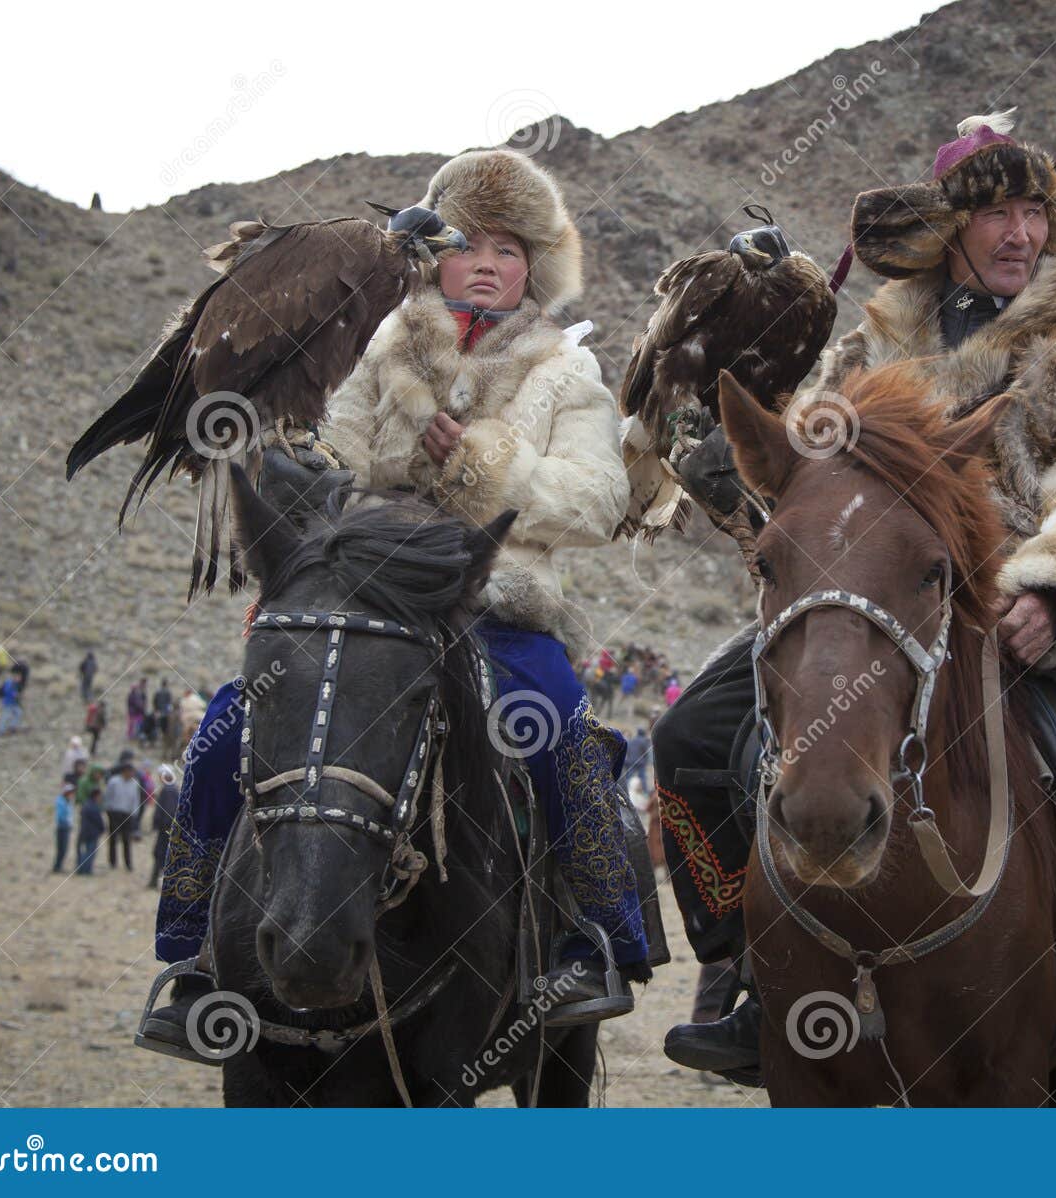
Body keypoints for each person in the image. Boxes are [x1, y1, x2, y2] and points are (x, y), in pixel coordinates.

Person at [654, 110, 1056, 1096]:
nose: (1017, 233)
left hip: (1034, 598)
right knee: (695, 735)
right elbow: (819, 462)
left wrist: (1055, 587)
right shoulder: (883, 327)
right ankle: (743, 968)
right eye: (992, 211)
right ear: (949, 226)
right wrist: (739, 472)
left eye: (1032, 211)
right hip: (879, 592)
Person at [142, 149, 651, 1061]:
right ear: (435, 255)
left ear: (535, 263)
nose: (488, 261)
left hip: (496, 604)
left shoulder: (568, 377)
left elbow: (598, 500)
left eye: (510, 246)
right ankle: (189, 958)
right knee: (224, 727)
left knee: (557, 717)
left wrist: (486, 465)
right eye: (467, 243)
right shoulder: (376, 347)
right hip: (368, 603)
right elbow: (329, 456)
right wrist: (289, 464)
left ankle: (596, 940)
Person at [102, 760, 143, 871]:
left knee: (126, 839)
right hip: (114, 812)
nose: (131, 774)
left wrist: (135, 813)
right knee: (113, 838)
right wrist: (107, 809)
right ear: (124, 771)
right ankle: (112, 862)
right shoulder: (114, 781)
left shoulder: (135, 783)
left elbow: (136, 799)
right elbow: (108, 796)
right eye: (129, 771)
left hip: (127, 814)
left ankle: (128, 864)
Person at [148, 767, 180, 890]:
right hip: (169, 828)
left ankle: (160, 883)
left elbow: (169, 811)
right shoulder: (172, 789)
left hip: (167, 829)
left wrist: (162, 825)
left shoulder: (169, 790)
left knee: (161, 854)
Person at [76, 787, 106, 876]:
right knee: (90, 852)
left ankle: (81, 869)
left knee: (85, 851)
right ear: (96, 796)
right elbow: (98, 820)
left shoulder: (86, 805)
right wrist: (102, 829)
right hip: (92, 833)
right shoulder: (93, 807)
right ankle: (85, 870)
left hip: (84, 832)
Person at [52, 782, 75, 873]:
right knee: (61, 848)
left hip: (66, 827)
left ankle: (59, 866)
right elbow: (61, 815)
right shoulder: (61, 801)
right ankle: (57, 866)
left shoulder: (68, 802)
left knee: (64, 848)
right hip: (62, 827)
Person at [623, 727, 652, 798]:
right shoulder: (644, 741)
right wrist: (646, 761)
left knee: (629, 776)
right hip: (640, 763)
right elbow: (646, 752)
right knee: (642, 777)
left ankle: (625, 791)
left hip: (631, 761)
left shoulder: (632, 740)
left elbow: (628, 749)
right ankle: (645, 793)